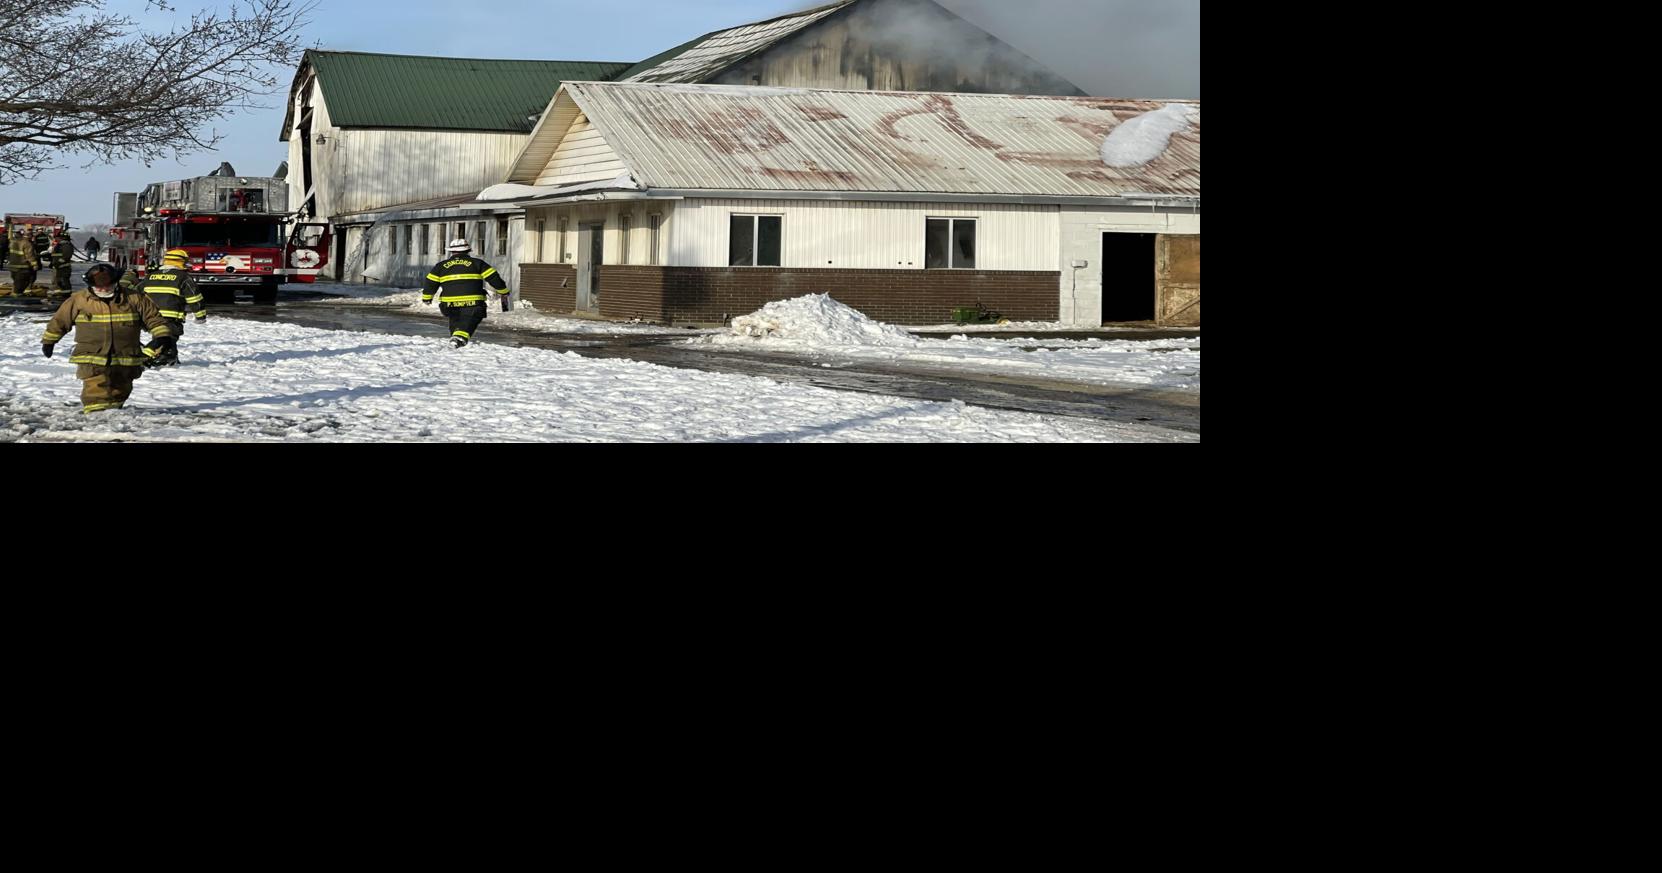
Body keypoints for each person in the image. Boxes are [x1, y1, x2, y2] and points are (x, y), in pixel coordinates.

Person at [40, 263, 175, 413]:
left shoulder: (134, 298)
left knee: (121, 385)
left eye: (107, 286)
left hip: (125, 354)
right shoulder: (79, 300)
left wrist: (162, 336)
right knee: (95, 385)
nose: (104, 290)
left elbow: (154, 318)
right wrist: (49, 341)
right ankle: (95, 415)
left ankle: (113, 412)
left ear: (116, 282)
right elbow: (60, 321)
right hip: (91, 354)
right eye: (99, 287)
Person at [422, 239, 510, 348]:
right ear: (468, 250)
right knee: (469, 321)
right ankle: (459, 339)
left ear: (451, 251)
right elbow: (494, 278)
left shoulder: (440, 266)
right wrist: (504, 292)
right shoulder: (478, 263)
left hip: (449, 304)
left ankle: (455, 343)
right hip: (473, 303)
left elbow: (430, 282)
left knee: (456, 323)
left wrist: (427, 298)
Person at [139, 249, 206, 367]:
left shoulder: (150, 276)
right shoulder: (183, 277)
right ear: (181, 262)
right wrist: (200, 316)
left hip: (149, 316)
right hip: (171, 317)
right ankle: (144, 357)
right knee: (166, 338)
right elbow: (194, 298)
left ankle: (171, 357)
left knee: (166, 337)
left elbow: (136, 294)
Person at [7, 230, 39, 296]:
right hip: (22, 267)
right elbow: (29, 255)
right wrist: (35, 265)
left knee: (16, 282)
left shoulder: (13, 242)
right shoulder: (27, 243)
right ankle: (16, 299)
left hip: (13, 267)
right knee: (22, 283)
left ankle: (15, 294)